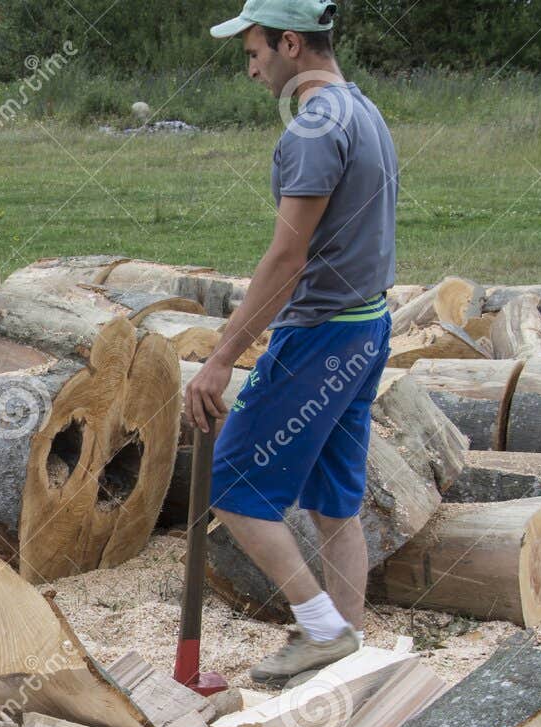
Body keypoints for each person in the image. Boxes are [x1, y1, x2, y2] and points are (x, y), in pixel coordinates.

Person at [186, 0, 398, 685]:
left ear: (290, 44)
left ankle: (321, 628)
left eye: (255, 53)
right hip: (368, 325)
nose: (252, 69)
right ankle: (350, 648)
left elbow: (287, 260)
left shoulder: (312, 130)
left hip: (320, 336)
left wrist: (221, 358)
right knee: (335, 504)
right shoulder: (363, 111)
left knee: (234, 484)